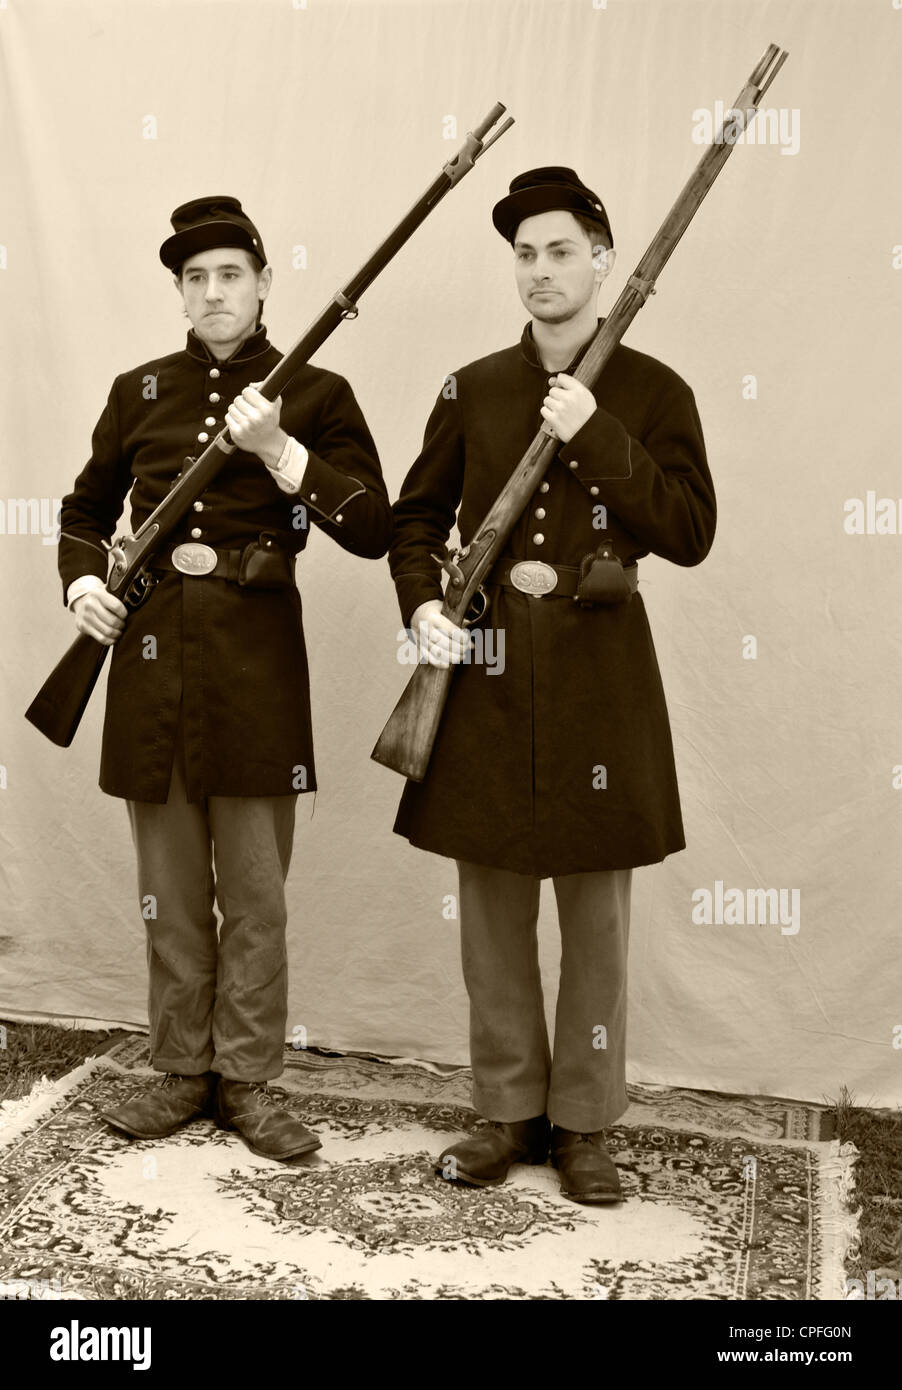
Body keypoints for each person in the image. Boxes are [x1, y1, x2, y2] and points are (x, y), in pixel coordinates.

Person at [387, 168, 716, 1202]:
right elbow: (413, 520)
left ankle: (582, 1124)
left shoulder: (654, 392)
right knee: (490, 916)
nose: (540, 271)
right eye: (524, 254)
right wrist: (423, 605)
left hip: (599, 682)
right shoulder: (471, 387)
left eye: (561, 251)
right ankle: (504, 1112)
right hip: (483, 678)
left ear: (603, 261)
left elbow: (689, 530)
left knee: (596, 925)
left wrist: (595, 431)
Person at [59, 195, 391, 1160]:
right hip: (151, 666)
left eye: (230, 275)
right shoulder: (138, 390)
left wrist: (280, 449)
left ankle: (247, 1079)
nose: (213, 292)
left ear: (264, 283)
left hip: (258, 671)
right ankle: (179, 1070)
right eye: (195, 278)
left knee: (254, 895)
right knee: (167, 892)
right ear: (179, 293)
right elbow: (83, 511)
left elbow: (373, 527)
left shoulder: (318, 392)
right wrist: (83, 584)